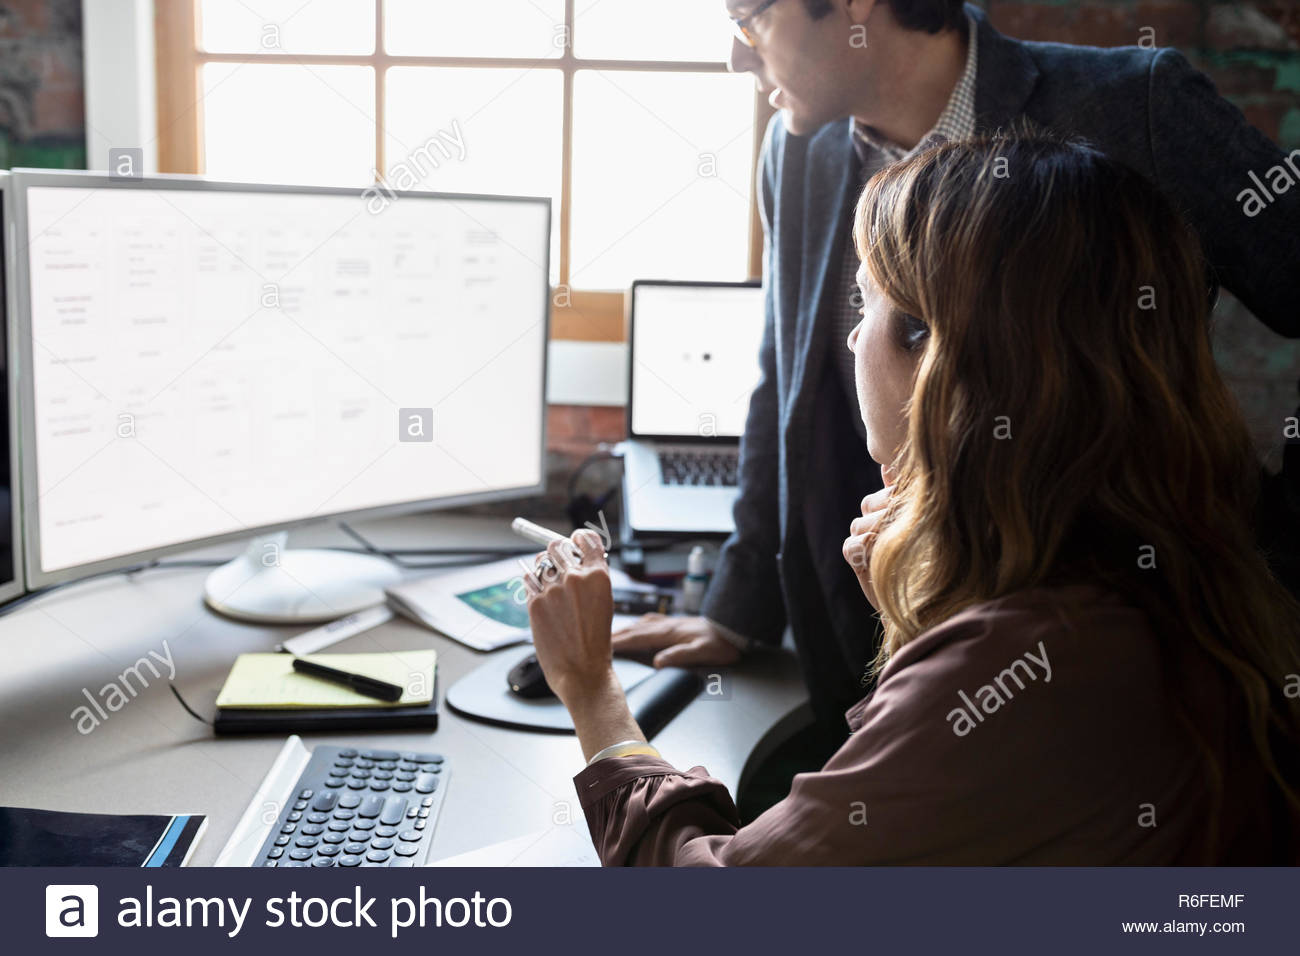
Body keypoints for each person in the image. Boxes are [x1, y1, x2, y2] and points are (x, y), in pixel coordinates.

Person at [524, 136, 1300, 865]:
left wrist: (592, 692)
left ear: (943, 356)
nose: (854, 341)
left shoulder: (1036, 656)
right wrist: (919, 620)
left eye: (869, 308)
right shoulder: (1173, 581)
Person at [612, 0, 1300, 762]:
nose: (738, 58)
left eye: (748, 20)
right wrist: (734, 609)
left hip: (1098, 677)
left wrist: (1282, 545)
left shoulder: (1136, 106)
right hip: (867, 632)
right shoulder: (796, 148)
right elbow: (785, 384)